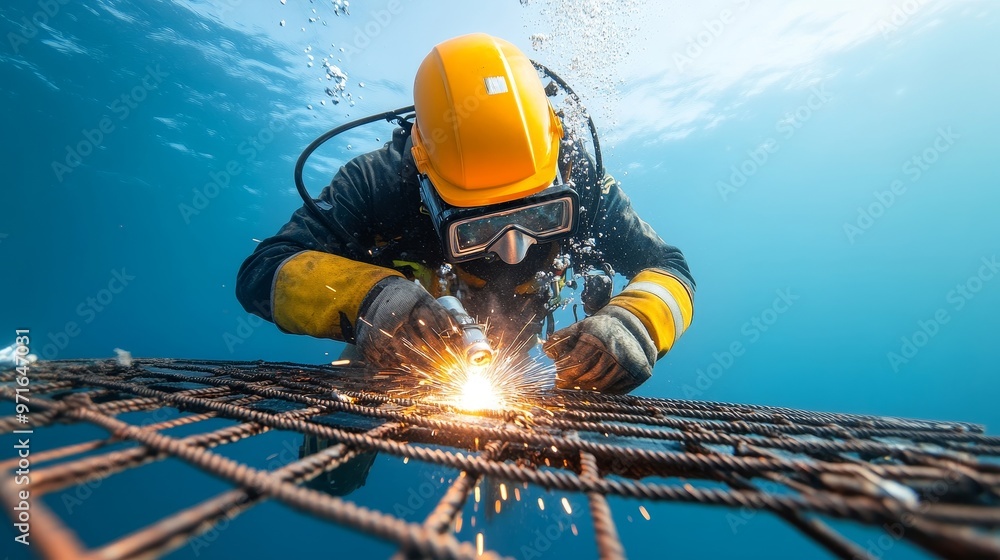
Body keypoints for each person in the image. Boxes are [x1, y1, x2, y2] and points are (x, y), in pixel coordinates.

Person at [236, 33, 695, 394]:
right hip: (398, 337)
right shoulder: (377, 184)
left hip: (520, 339)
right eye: (481, 227)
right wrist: (368, 302)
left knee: (512, 444)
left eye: (540, 216)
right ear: (428, 186)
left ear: (558, 170)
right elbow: (264, 270)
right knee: (345, 424)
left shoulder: (582, 181)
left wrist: (637, 322)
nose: (513, 253)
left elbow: (669, 268)